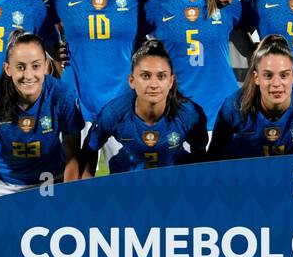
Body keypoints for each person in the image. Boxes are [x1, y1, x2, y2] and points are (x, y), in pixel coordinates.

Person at [0, 32, 83, 202]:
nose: (28, 75)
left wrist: (67, 198)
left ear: (46, 66)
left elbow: (72, 154)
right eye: (20, 67)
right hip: (1, 182)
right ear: (8, 69)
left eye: (35, 66)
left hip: (49, 179)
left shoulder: (63, 95)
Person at [143, 0, 243, 129]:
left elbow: (253, 43)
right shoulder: (157, 5)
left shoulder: (229, 3)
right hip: (177, 118)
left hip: (224, 118)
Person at [81, 39, 208, 174]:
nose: (153, 84)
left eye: (161, 76)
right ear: (132, 81)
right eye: (146, 76)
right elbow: (89, 152)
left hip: (173, 184)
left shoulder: (190, 114)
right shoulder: (113, 113)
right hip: (127, 186)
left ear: (171, 81)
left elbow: (200, 162)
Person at [208, 34, 293, 159]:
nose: (276, 84)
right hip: (249, 173)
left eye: (284, 75)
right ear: (256, 77)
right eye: (268, 75)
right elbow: (215, 157)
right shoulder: (234, 106)